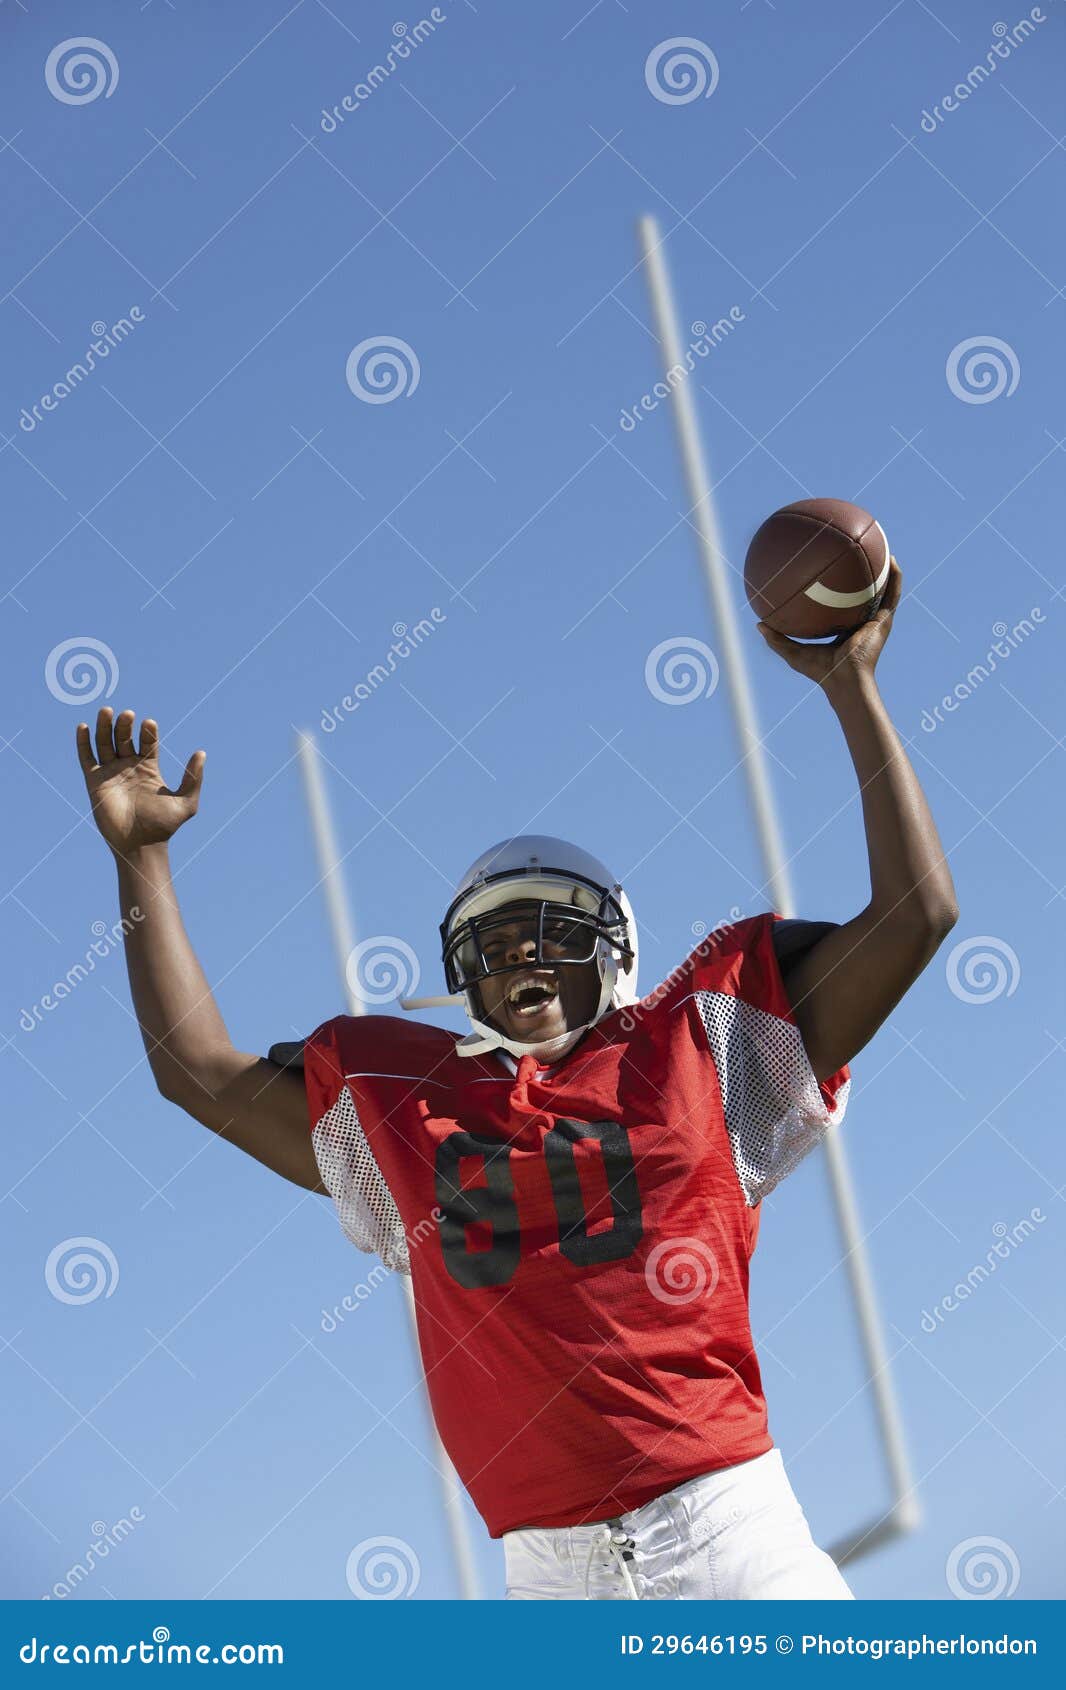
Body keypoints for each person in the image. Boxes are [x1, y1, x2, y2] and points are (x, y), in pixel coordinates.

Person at [77, 560, 957, 1599]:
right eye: (490, 947)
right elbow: (196, 1071)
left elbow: (918, 913)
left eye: (549, 933)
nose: (517, 959)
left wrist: (851, 687)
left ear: (615, 952)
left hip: (727, 1537)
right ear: (463, 980)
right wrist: (141, 863)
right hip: (546, 1580)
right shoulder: (405, 1097)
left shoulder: (697, 1040)